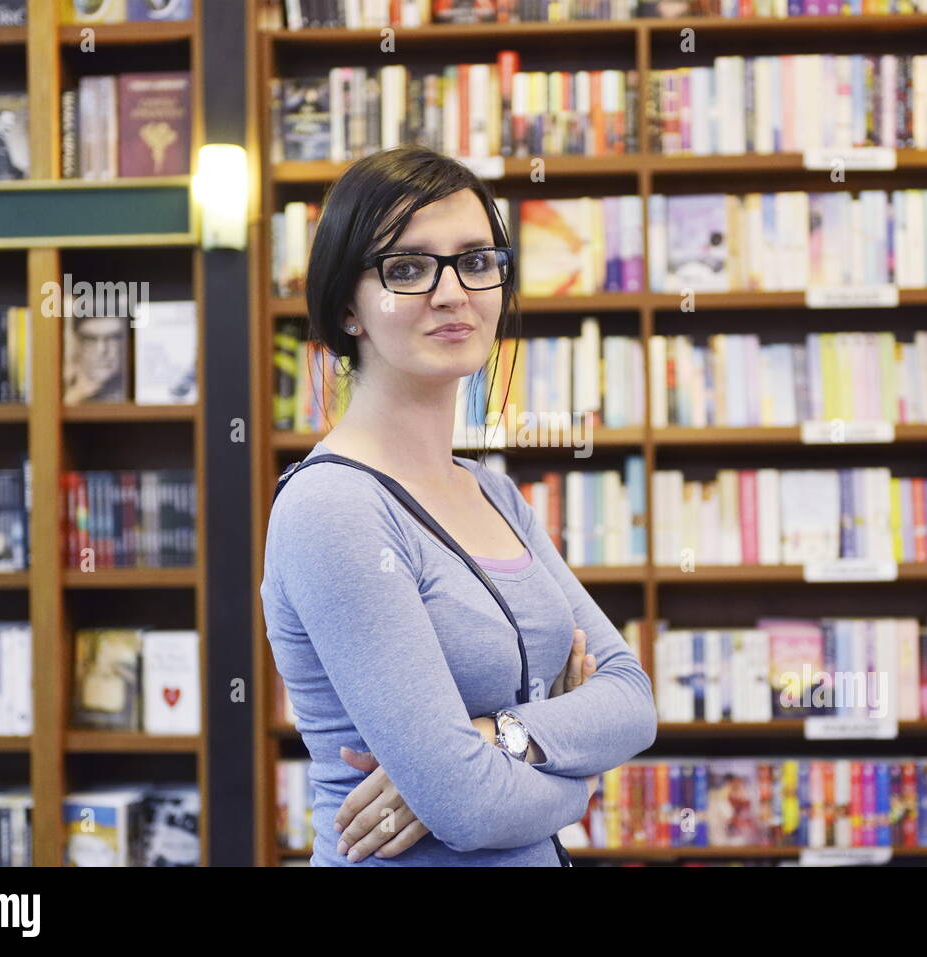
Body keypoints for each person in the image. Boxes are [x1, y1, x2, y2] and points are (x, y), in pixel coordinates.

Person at [260, 145, 658, 866]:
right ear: (347, 306)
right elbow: (468, 805)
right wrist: (580, 775)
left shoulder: (494, 493)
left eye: (476, 260)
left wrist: (494, 736)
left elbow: (632, 699)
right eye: (406, 268)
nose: (453, 292)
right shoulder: (334, 507)